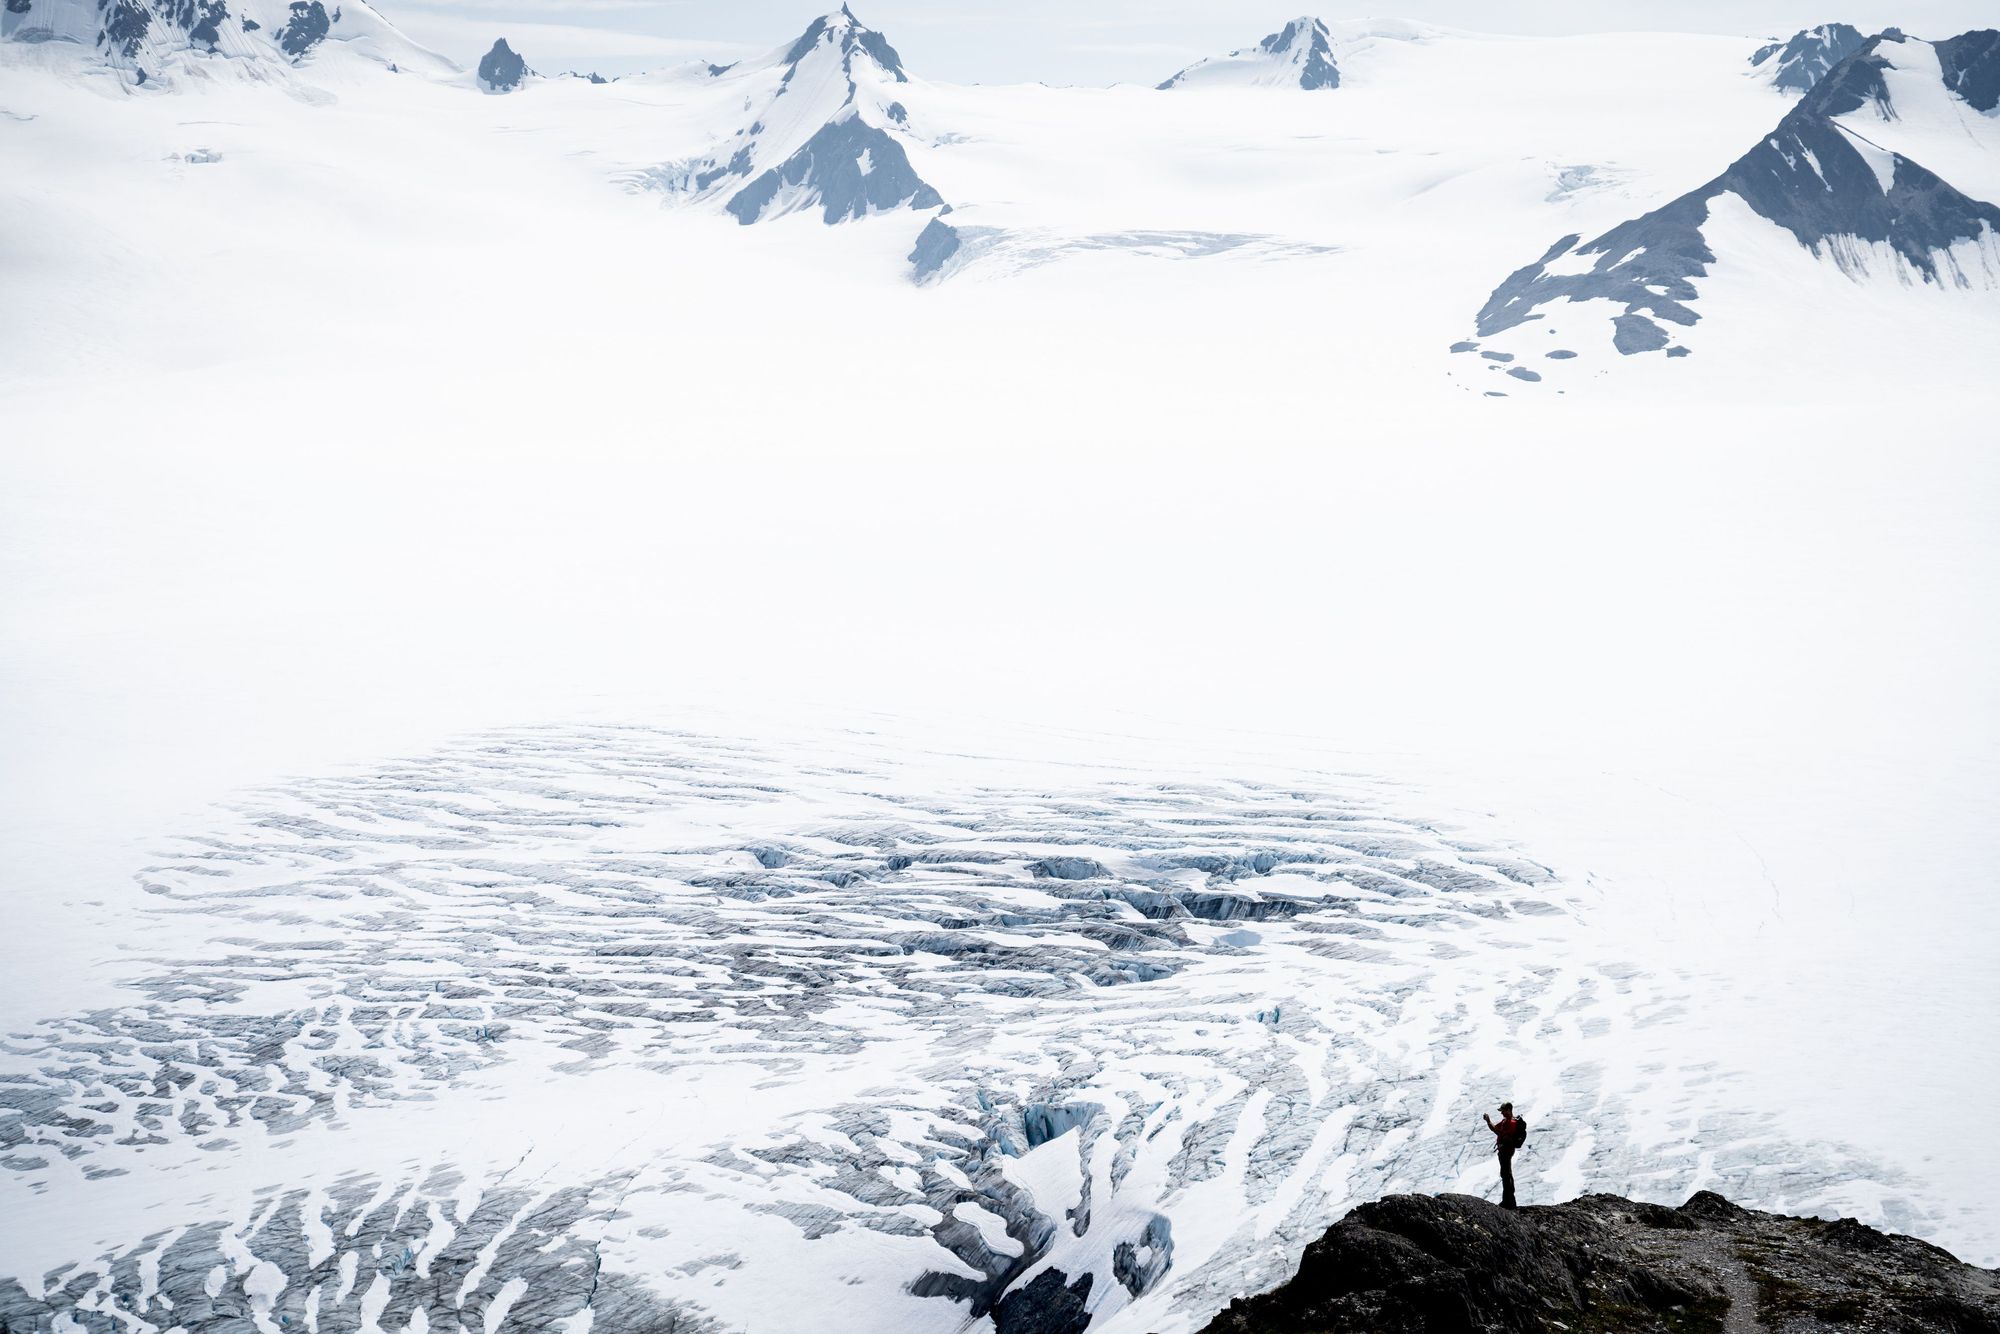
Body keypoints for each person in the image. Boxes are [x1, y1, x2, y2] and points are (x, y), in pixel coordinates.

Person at [1482, 1102, 1526, 1208]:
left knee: (1506, 1174)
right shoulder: (1505, 1121)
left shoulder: (1511, 1123)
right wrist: (1488, 1121)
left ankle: (1509, 1201)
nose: (1501, 1113)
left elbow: (1500, 1133)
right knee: (1506, 1174)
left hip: (1506, 1150)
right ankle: (1508, 1200)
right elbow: (1496, 1130)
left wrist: (1491, 1124)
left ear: (1509, 1110)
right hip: (1504, 1150)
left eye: (1503, 1110)